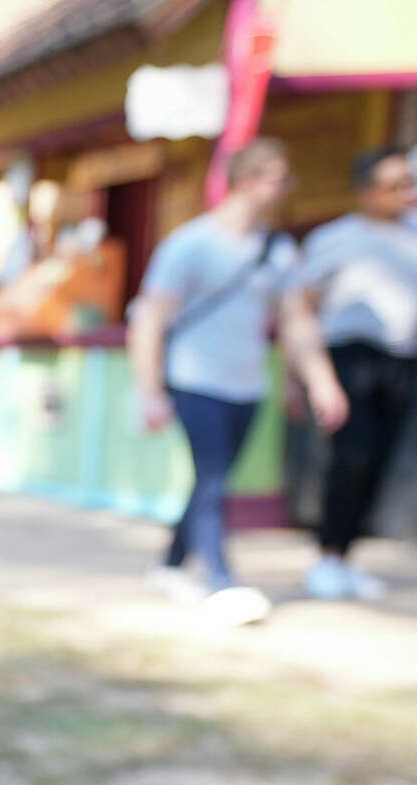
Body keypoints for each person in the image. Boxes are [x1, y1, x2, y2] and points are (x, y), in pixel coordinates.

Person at [127, 138, 348, 625]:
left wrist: (318, 381)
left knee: (212, 476)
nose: (287, 187)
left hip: (246, 384)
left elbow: (296, 323)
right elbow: (150, 320)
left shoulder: (278, 250)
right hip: (193, 379)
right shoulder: (191, 244)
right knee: (214, 478)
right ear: (247, 181)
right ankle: (221, 581)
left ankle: (170, 566)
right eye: (279, 177)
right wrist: (151, 391)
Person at [292, 146, 417, 600]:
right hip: (349, 359)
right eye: (395, 185)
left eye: (409, 183)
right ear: (365, 191)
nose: (406, 193)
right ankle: (327, 554)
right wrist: (303, 378)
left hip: (402, 361)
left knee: (380, 462)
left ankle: (347, 557)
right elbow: (300, 312)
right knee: (352, 458)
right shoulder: (335, 239)